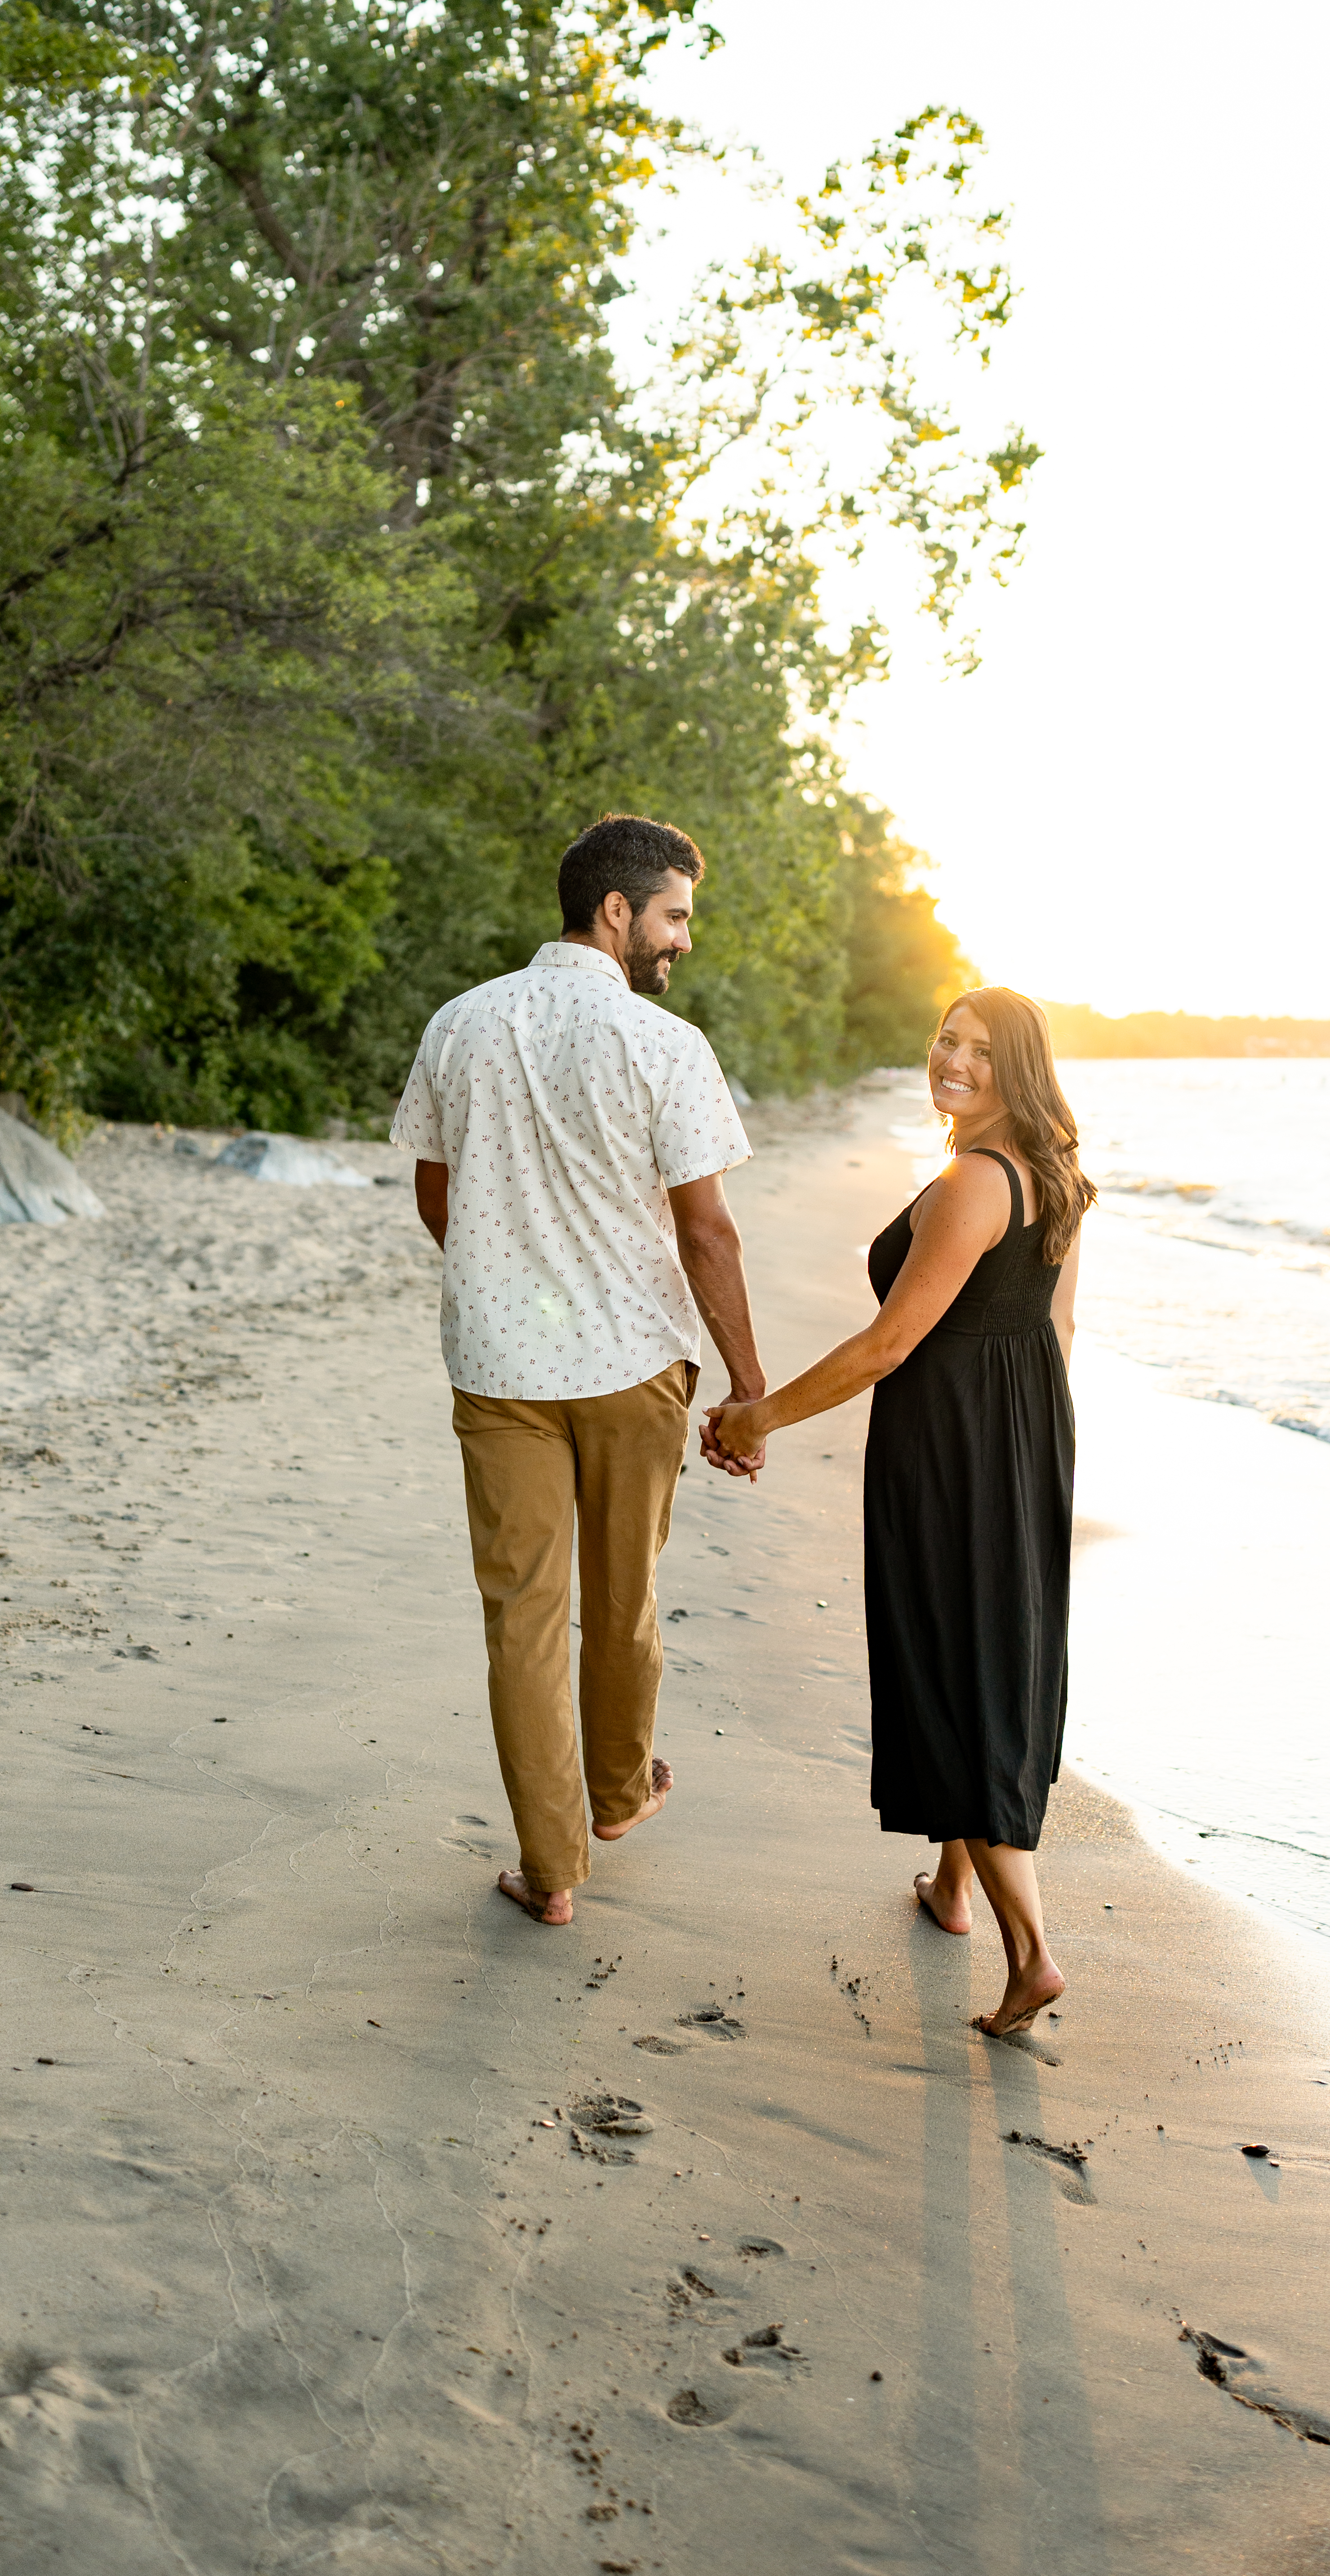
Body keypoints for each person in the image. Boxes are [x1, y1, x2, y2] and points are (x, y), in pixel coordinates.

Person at [393, 813, 765, 1928]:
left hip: (500, 1366)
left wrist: (506, 1270)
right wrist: (748, 1386)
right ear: (617, 911)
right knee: (624, 1596)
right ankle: (615, 1792)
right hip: (634, 1365)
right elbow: (707, 1234)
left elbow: (435, 1197)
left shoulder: (459, 1024)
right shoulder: (667, 1047)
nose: (682, 941)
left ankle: (551, 1872)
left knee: (523, 1617)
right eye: (674, 915)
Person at [703, 988, 1094, 2036]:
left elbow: (888, 1345)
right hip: (1020, 1436)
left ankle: (1035, 1955)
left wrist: (759, 1416)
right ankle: (952, 1887)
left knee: (954, 1669)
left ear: (1019, 1070)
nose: (952, 1059)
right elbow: (1058, 1331)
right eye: (945, 1038)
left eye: (979, 1050)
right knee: (985, 1651)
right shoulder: (1054, 1179)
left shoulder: (973, 1182)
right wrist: (1035, 1464)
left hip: (953, 1444)